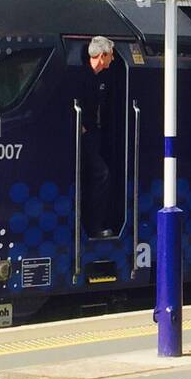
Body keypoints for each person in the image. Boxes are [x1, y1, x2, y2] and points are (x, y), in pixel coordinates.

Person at [77, 36, 115, 236]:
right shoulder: (82, 77)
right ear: (102, 56)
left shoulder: (103, 78)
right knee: (101, 174)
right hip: (86, 135)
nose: (113, 59)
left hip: (96, 134)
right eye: (111, 55)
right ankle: (94, 225)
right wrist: (83, 129)